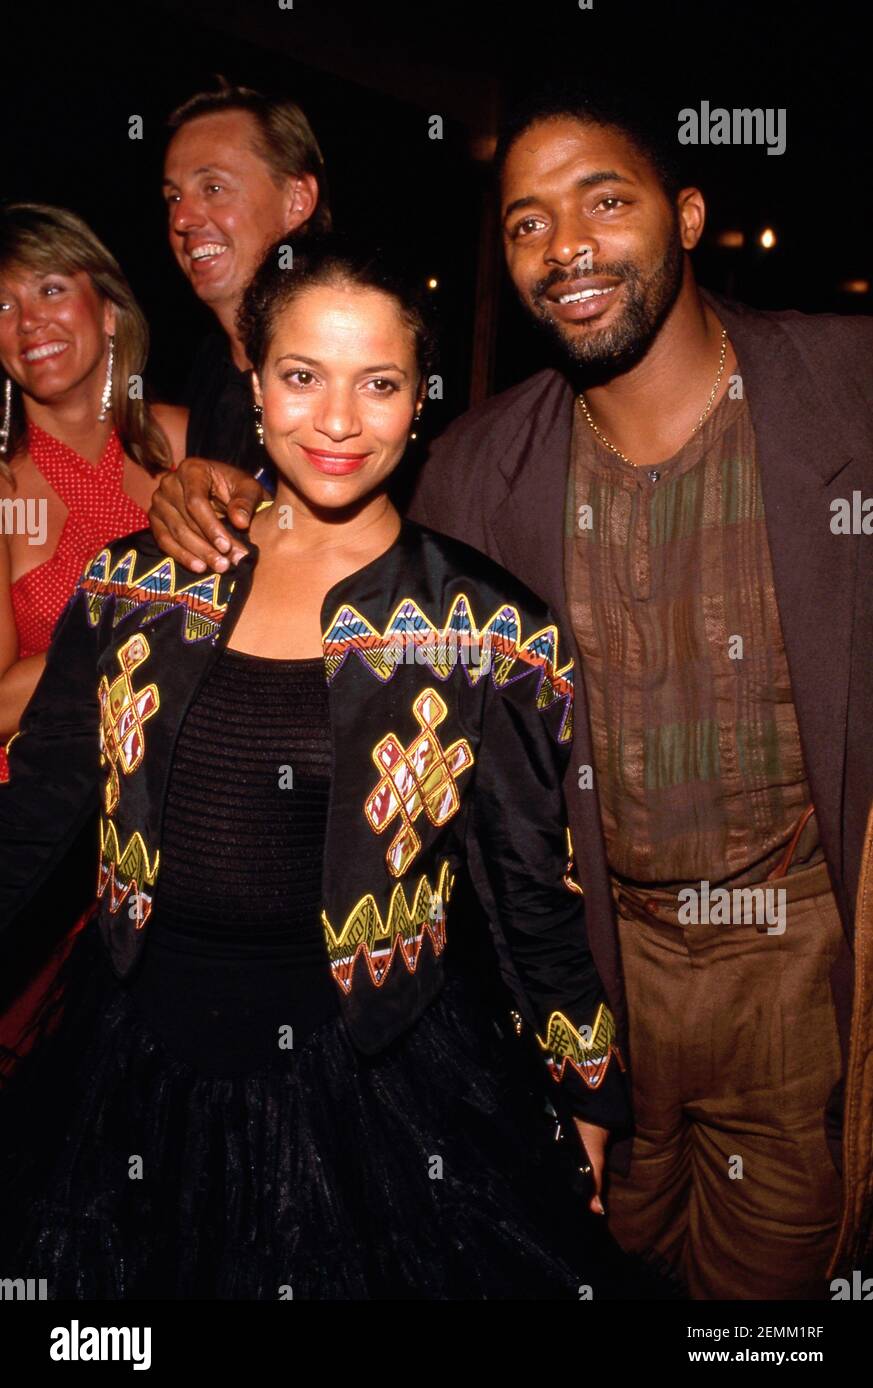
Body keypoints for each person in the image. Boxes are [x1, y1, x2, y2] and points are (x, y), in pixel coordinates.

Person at [146, 83, 873, 1300]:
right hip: (589, 970)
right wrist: (196, 497)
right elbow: (339, 532)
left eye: (605, 201)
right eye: (528, 222)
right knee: (598, 1260)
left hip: (792, 968)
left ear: (688, 214)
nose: (566, 245)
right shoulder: (482, 468)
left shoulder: (846, 388)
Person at [0, 232, 682, 1302]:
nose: (336, 419)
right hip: (134, 1050)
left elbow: (525, 886)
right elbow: (39, 812)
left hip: (370, 1076)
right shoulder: (134, 583)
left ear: (421, 401)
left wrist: (588, 1089)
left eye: (379, 382)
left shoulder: (487, 627)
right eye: (303, 376)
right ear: (256, 385)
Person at [0, 202, 186, 1072]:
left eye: (47, 288)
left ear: (107, 308)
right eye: (0, 306)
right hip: (44, 843)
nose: (26, 323)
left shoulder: (187, 446)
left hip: (180, 831)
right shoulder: (6, 490)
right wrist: (130, 636)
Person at [163, 78, 330, 491]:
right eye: (173, 197)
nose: (182, 219)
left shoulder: (337, 363)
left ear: (296, 200)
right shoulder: (209, 369)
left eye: (214, 188)